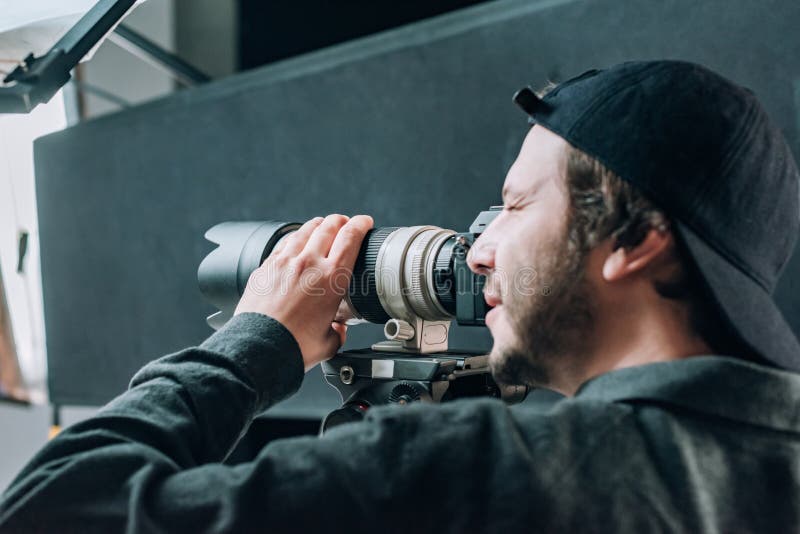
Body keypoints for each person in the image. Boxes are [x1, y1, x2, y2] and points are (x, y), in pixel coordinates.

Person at [1, 60, 799, 533]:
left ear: (636, 239)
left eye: (516, 207)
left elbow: (51, 512)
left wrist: (252, 345)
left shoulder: (480, 474)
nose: (479, 249)